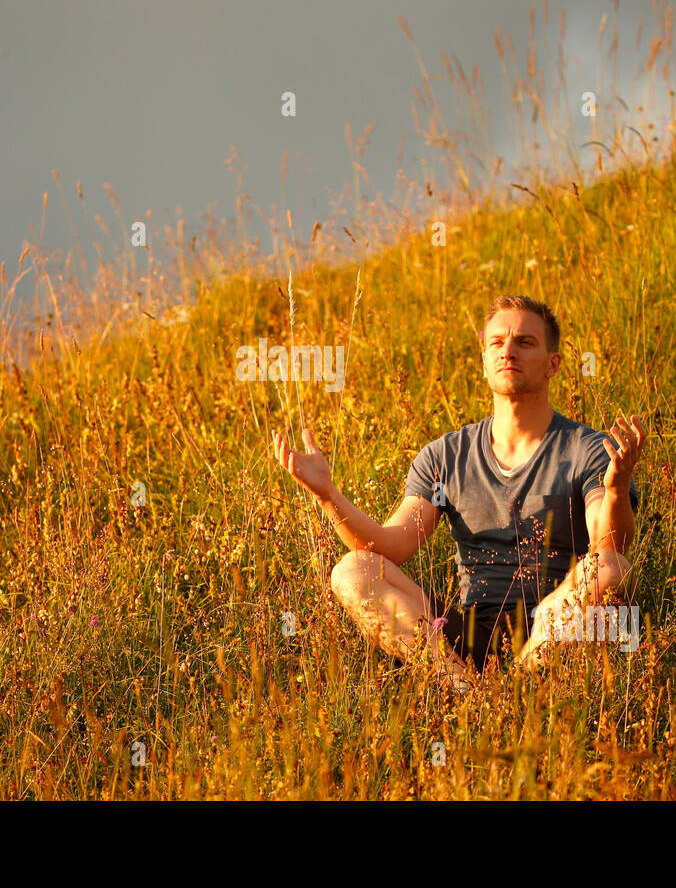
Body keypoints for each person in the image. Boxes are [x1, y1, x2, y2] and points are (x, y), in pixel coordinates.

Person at [272, 294, 647, 689]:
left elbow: (609, 548)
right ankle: (462, 690)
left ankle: (520, 685)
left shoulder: (588, 449)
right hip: (470, 630)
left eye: (525, 342)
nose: (508, 352)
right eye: (497, 343)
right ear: (483, 361)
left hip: (557, 623)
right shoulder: (446, 457)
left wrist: (617, 488)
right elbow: (389, 548)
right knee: (351, 570)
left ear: (553, 363)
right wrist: (328, 495)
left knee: (609, 569)